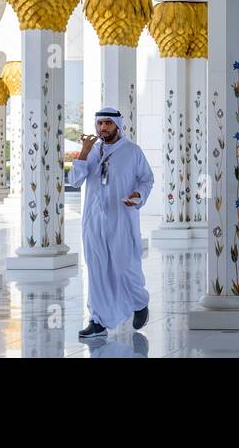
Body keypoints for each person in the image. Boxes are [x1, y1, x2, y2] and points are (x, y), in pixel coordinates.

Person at [69, 106, 155, 341]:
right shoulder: (92, 151)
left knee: (124, 265)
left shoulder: (132, 151)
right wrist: (84, 153)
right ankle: (97, 321)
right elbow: (75, 181)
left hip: (121, 217)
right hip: (94, 221)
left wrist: (138, 195)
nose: (103, 128)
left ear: (118, 125)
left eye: (107, 123)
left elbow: (147, 179)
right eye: (99, 123)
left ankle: (139, 303)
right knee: (96, 269)